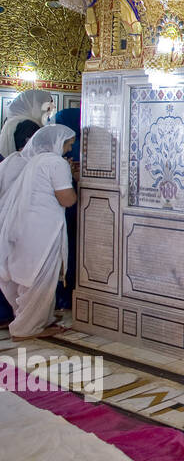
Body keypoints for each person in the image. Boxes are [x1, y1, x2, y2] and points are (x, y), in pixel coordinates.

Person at [0, 123, 78, 339]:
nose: (69, 149)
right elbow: (67, 199)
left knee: (27, 275)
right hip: (43, 229)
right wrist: (75, 181)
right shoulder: (56, 163)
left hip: (26, 226)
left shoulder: (34, 161)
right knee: (40, 277)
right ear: (58, 143)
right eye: (68, 144)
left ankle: (34, 320)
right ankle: (26, 328)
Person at [53, 108, 80, 311]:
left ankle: (61, 298)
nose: (70, 147)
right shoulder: (80, 145)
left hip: (60, 211)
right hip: (71, 206)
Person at [0, 89, 54, 160]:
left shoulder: (16, 121)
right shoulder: (29, 125)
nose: (49, 111)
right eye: (47, 108)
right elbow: (30, 155)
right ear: (36, 105)